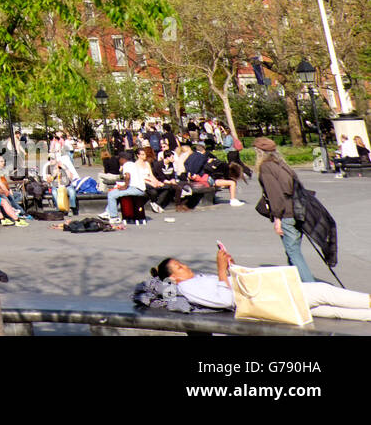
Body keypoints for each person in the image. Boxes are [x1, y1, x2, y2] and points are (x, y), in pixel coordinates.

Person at [152, 244, 371, 321]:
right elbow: (225, 299)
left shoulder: (196, 279)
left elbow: (227, 285)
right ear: (173, 278)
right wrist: (221, 270)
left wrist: (230, 267)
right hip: (261, 298)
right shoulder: (189, 287)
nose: (186, 266)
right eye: (180, 267)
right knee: (323, 292)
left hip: (258, 294)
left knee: (328, 311)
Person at [255, 136, 314, 282]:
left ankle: (309, 284)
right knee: (292, 249)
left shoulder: (266, 167)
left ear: (259, 152)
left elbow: (275, 195)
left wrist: (277, 219)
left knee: (293, 251)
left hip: (286, 213)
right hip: (298, 209)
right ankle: (295, 280)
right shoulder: (281, 164)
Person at [103, 150, 149, 222]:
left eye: (119, 159)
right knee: (116, 193)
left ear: (123, 159)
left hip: (135, 189)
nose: (119, 161)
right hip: (140, 188)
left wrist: (125, 186)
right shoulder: (134, 164)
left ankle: (113, 216)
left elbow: (127, 176)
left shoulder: (126, 165)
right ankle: (108, 212)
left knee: (111, 194)